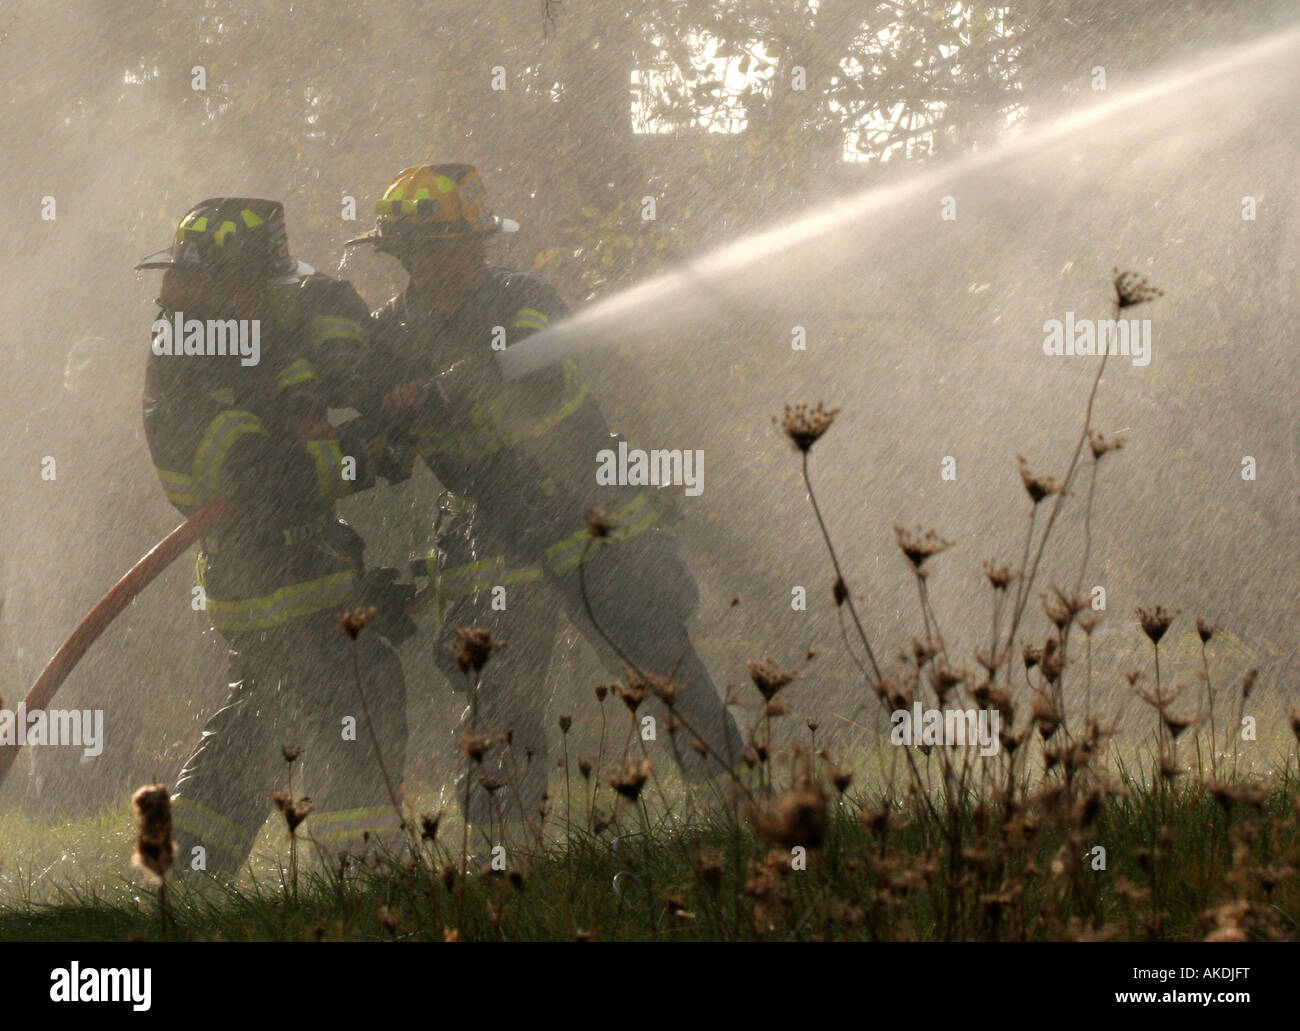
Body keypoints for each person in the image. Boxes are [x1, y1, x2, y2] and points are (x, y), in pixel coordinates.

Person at [347, 164, 745, 827]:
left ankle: (740, 813)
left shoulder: (521, 295)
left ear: (481, 245)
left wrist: (452, 384)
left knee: (658, 661)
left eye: (461, 244)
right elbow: (382, 444)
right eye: (430, 249)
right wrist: (378, 426)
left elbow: (538, 362)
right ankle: (502, 849)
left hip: (586, 511)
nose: (450, 261)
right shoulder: (391, 335)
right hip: (492, 525)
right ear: (404, 256)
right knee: (497, 688)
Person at [137, 198, 413, 877]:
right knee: (360, 683)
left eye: (262, 286)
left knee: (263, 717)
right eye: (242, 286)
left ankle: (187, 871)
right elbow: (269, 484)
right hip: (262, 581)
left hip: (301, 565)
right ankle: (361, 872)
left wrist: (386, 385)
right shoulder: (181, 374)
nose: (256, 300)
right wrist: (365, 452)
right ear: (207, 287)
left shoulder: (257, 324)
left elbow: (332, 330)